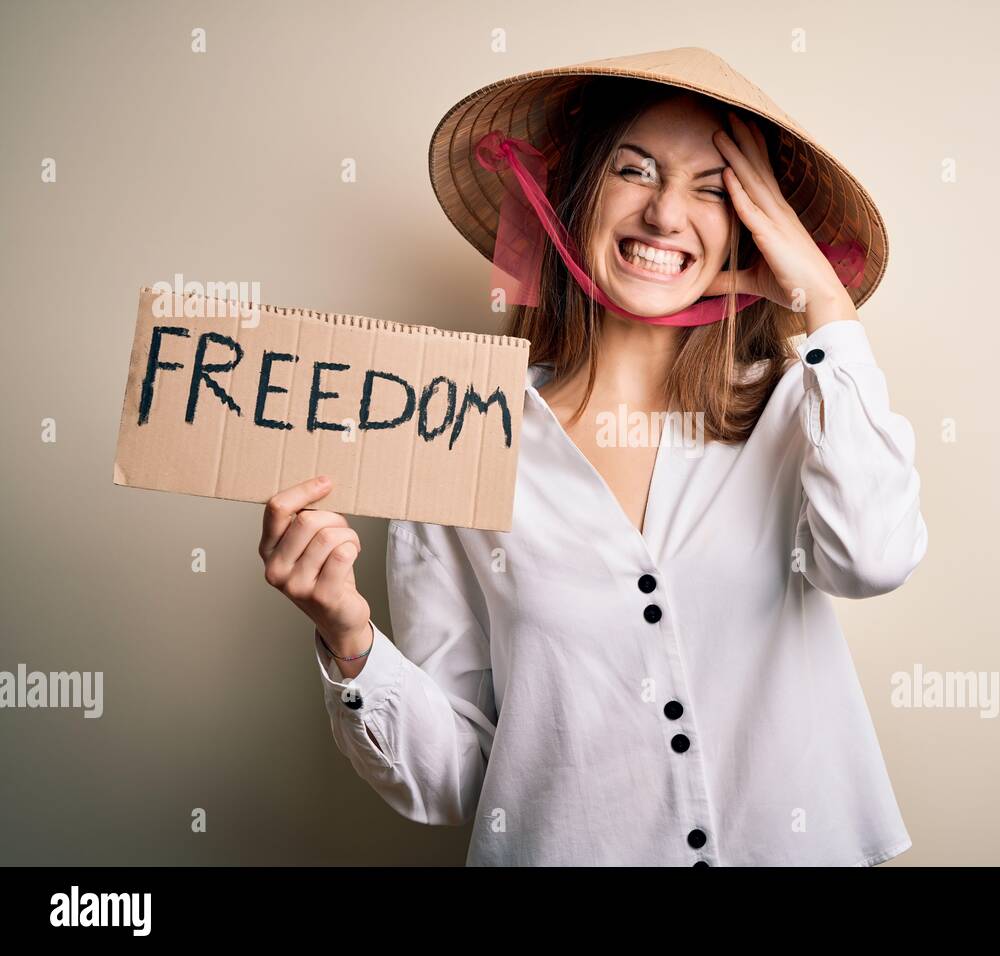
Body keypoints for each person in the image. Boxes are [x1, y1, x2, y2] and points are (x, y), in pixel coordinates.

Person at [258, 49, 927, 866]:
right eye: (635, 170)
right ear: (573, 196)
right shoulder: (457, 430)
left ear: (756, 230)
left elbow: (872, 559)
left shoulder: (802, 410)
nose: (666, 214)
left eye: (715, 187)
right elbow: (453, 782)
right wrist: (350, 636)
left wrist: (823, 303)